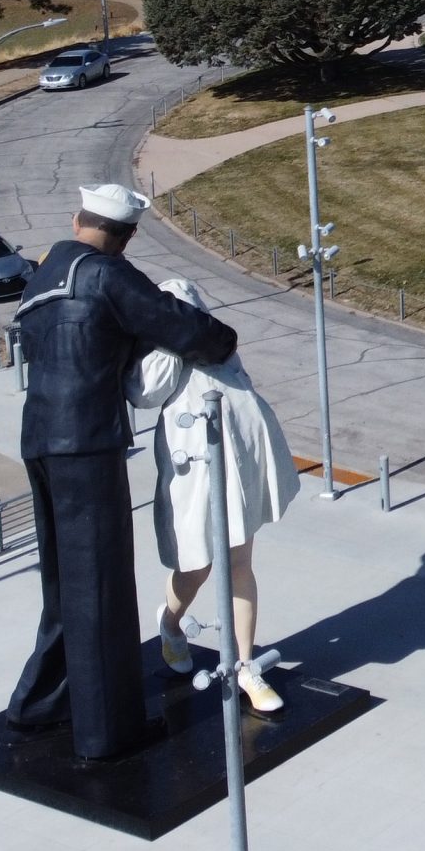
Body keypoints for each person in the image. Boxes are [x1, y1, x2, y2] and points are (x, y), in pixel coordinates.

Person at [7, 183, 237, 761]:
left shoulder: (44, 275)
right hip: (87, 445)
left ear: (76, 217)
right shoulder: (107, 274)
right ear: (126, 235)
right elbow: (185, 330)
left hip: (39, 439)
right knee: (102, 587)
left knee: (63, 585)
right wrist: (221, 337)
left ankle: (42, 702)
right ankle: (108, 733)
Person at [129, 277, 297, 714]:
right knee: (196, 565)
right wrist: (171, 342)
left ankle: (244, 664)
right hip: (193, 473)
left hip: (236, 466)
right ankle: (169, 623)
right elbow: (143, 392)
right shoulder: (160, 357)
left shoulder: (217, 344)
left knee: (240, 564)